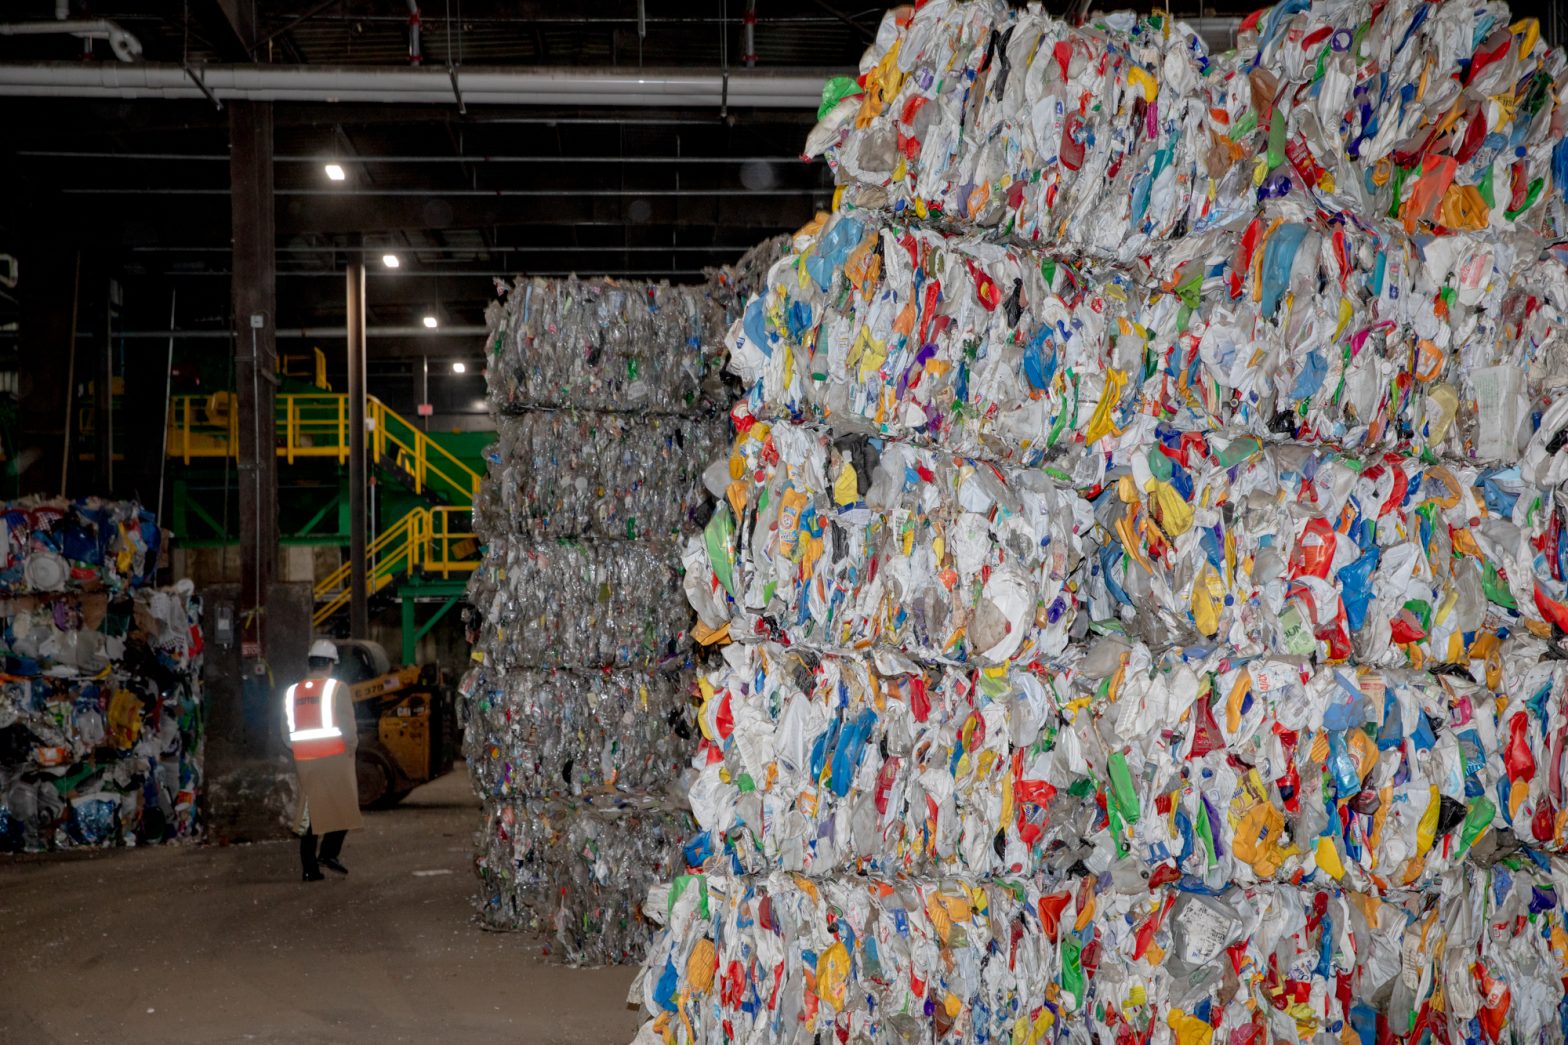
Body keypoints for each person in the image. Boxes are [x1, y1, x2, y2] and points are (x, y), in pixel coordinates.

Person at [284, 639, 362, 882]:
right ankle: (329, 853)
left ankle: (309, 869)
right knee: (344, 805)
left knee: (310, 812)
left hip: (304, 758)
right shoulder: (337, 688)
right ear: (331, 664)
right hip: (334, 757)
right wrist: (351, 747)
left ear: (310, 663)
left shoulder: (292, 691)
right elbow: (348, 727)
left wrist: (299, 749)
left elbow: (285, 729)